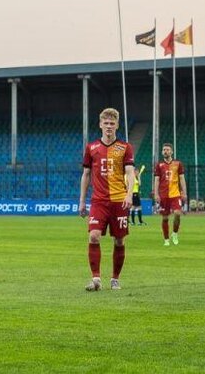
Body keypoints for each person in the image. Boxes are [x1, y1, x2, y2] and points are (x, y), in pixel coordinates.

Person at [79, 107, 135, 292]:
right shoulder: (92, 148)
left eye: (112, 123)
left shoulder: (125, 148)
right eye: (106, 123)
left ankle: (115, 279)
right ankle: (96, 279)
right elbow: (86, 174)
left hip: (119, 200)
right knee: (94, 236)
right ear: (100, 124)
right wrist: (81, 201)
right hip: (99, 201)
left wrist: (129, 195)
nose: (109, 126)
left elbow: (129, 172)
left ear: (117, 125)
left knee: (119, 240)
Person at [152, 143, 187, 246]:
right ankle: (166, 239)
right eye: (164, 150)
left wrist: (184, 192)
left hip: (175, 194)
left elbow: (182, 178)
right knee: (165, 218)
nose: (165, 151)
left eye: (167, 150)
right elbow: (157, 180)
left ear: (171, 152)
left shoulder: (178, 164)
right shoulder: (159, 165)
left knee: (177, 214)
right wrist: (156, 194)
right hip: (163, 195)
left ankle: (175, 233)